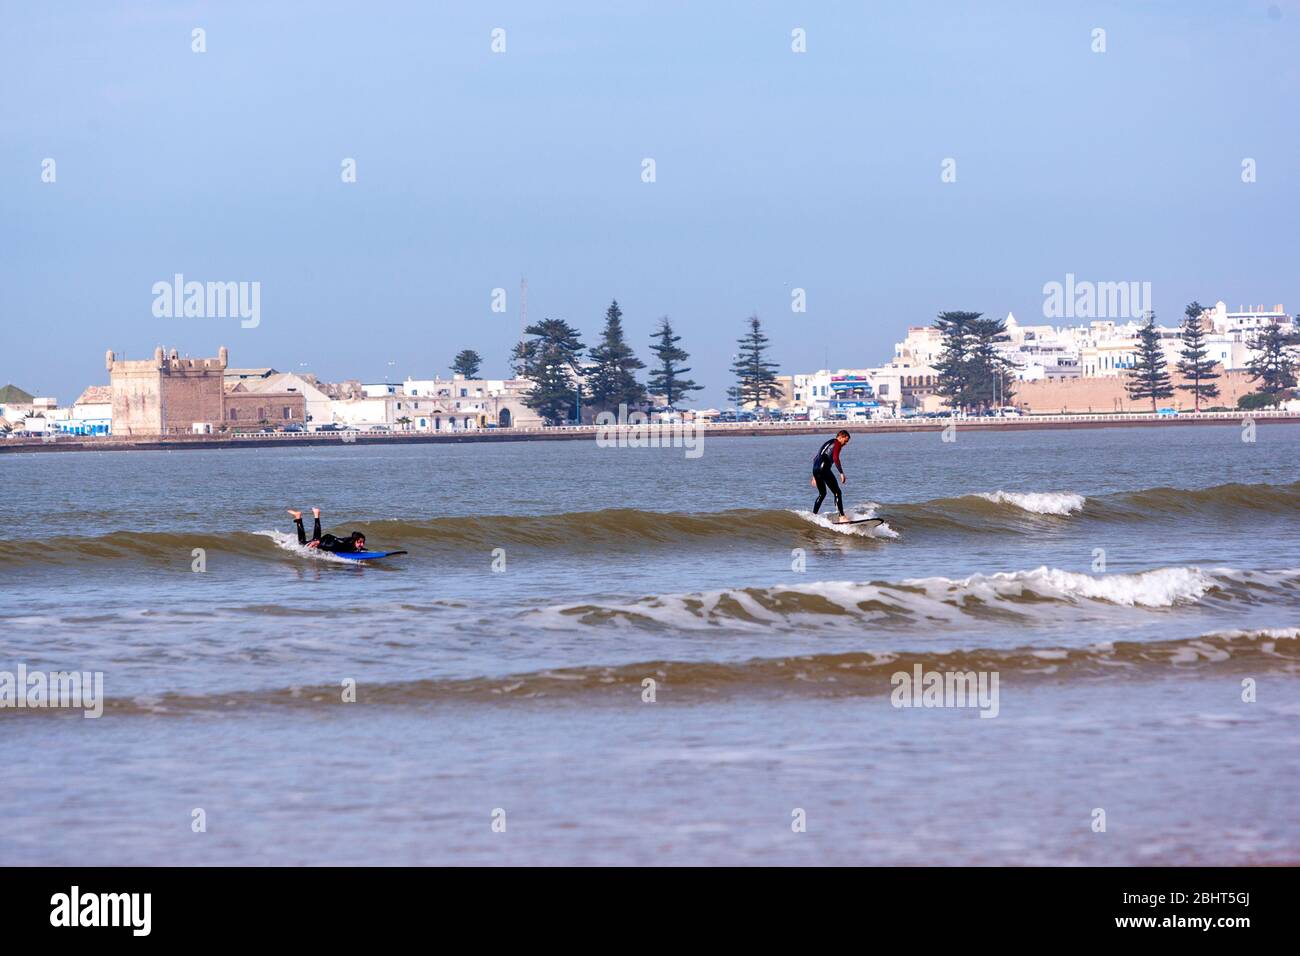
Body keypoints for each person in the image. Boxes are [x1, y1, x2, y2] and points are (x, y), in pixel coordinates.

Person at [810, 430, 851, 521]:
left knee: (822, 494)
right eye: (845, 440)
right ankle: (842, 516)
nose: (846, 443)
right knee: (837, 492)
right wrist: (841, 473)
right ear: (840, 437)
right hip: (824, 468)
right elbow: (836, 458)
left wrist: (814, 475)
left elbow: (815, 458)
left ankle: (813, 515)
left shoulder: (828, 443)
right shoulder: (837, 443)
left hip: (815, 468)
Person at [288, 508, 368, 552]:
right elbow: (329, 537)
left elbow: (358, 547)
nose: (361, 544)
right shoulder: (343, 544)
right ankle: (298, 516)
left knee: (316, 538)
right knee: (302, 543)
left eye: (362, 542)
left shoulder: (353, 543)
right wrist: (318, 543)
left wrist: (364, 550)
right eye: (359, 542)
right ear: (354, 541)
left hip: (327, 542)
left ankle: (316, 514)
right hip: (326, 543)